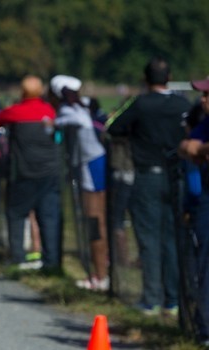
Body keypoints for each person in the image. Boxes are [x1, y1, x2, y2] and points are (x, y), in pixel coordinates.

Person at [106, 57, 191, 316]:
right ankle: (173, 299)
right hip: (176, 175)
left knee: (149, 238)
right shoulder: (181, 104)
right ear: (169, 77)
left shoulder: (141, 104)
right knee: (172, 237)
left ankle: (151, 298)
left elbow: (114, 126)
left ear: (145, 79)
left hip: (147, 175)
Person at [0, 75, 61, 271]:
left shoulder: (16, 112)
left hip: (23, 173)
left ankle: (18, 256)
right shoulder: (50, 111)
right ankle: (51, 261)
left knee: (16, 214)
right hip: (49, 173)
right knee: (48, 218)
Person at [50, 75, 109, 291]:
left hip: (90, 165)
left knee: (95, 221)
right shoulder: (85, 106)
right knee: (101, 221)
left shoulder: (69, 111)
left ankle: (100, 276)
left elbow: (53, 127)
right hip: (98, 162)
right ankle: (102, 272)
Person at [177, 77, 209, 346]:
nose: (203, 100)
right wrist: (201, 149)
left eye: (208, 94)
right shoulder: (205, 124)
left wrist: (201, 150)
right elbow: (186, 146)